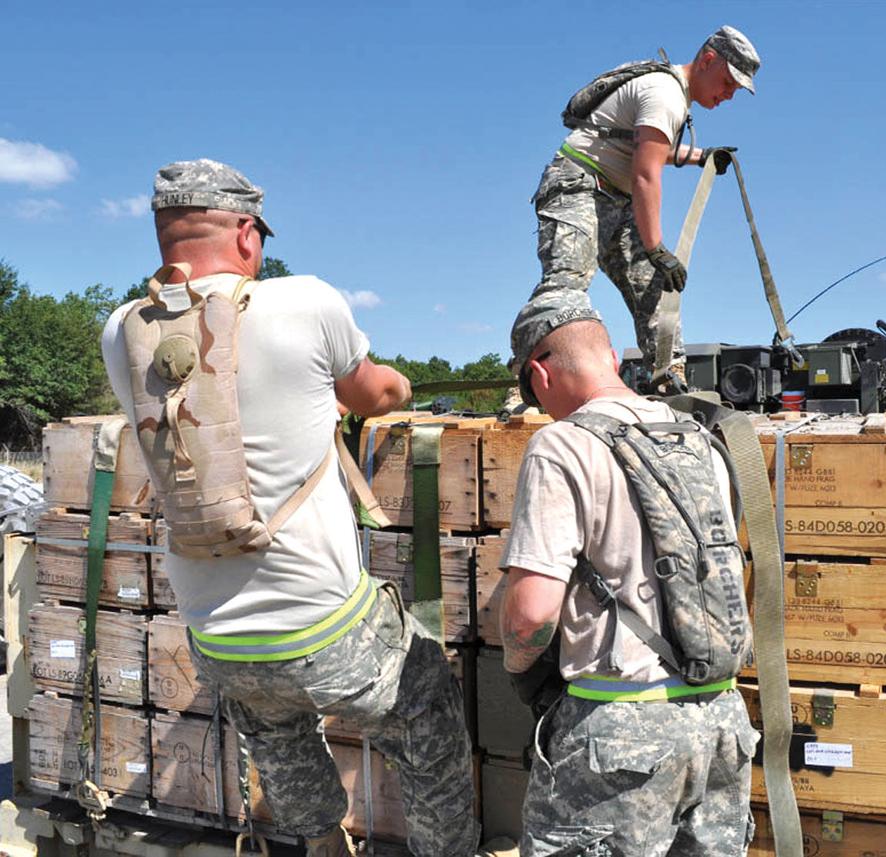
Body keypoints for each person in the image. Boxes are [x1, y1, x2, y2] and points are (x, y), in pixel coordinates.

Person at [100, 160, 479, 857]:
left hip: (214, 639)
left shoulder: (122, 330)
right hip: (324, 631)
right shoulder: (304, 301)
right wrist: (391, 381)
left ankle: (320, 841)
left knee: (273, 720)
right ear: (246, 233)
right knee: (427, 703)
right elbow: (379, 395)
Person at [500, 291, 759, 856]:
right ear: (614, 358)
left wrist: (523, 672)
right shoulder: (702, 440)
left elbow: (530, 615)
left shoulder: (561, 445)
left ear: (540, 374)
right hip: (723, 722)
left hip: (619, 733)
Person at [520, 25, 760, 396]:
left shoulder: (674, 98)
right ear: (708, 60)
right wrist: (656, 247)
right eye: (728, 82)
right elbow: (646, 174)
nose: (729, 95)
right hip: (579, 186)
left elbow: (649, 149)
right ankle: (525, 383)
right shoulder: (665, 94)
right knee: (565, 285)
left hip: (615, 196)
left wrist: (702, 157)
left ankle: (668, 378)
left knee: (654, 287)